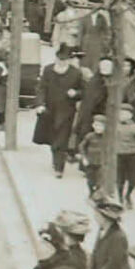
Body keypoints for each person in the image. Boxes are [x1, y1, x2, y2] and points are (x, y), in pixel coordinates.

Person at [34, 46, 84, 177]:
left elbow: (84, 91)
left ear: (69, 60)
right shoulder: (48, 70)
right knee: (52, 137)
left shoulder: (76, 73)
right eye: (59, 59)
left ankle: (59, 168)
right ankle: (56, 159)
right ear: (55, 58)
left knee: (61, 139)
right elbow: (41, 88)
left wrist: (76, 93)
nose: (61, 62)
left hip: (66, 112)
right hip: (49, 110)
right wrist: (40, 104)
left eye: (64, 60)